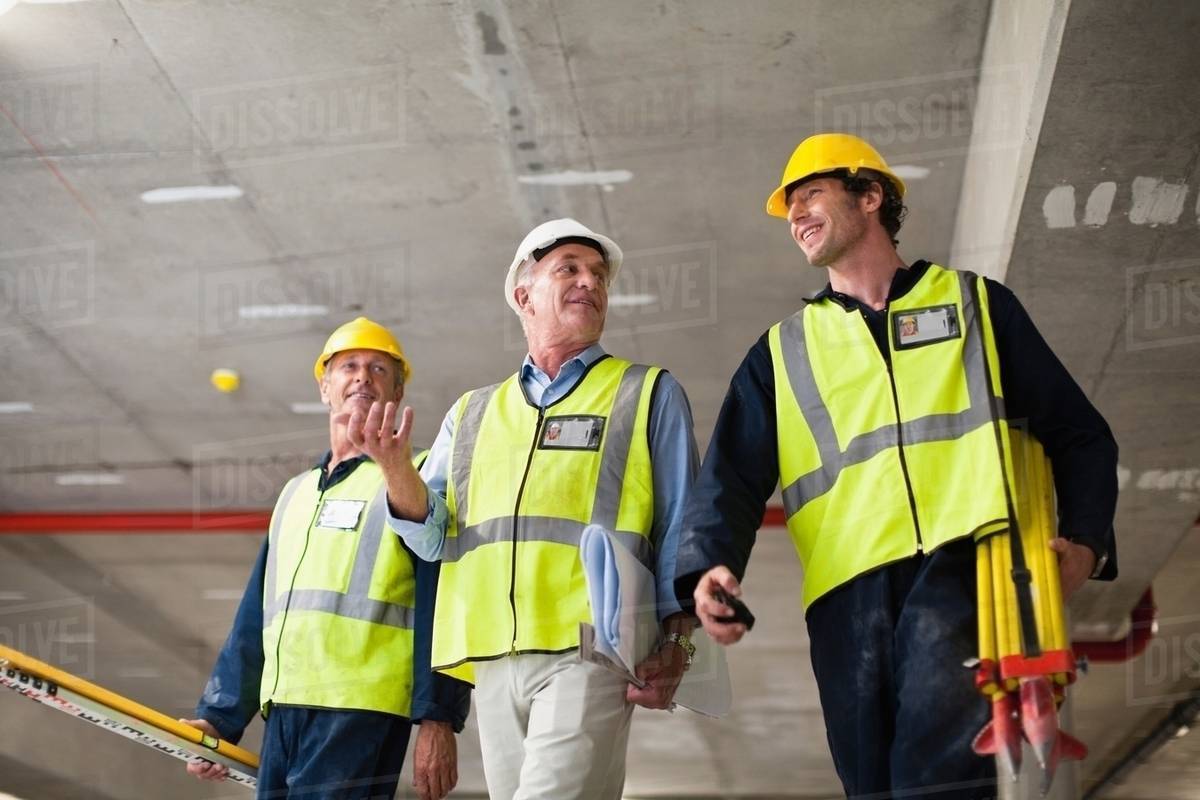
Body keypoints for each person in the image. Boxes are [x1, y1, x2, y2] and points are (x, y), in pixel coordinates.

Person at [674, 133, 1119, 799]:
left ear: (871, 196)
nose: (795, 215)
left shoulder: (975, 307)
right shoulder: (782, 353)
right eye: (788, 207)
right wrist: (706, 566)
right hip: (844, 599)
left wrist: (1085, 543)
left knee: (937, 776)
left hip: (961, 564)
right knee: (873, 784)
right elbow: (730, 479)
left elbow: (1080, 435)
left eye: (810, 195)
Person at [345, 218, 700, 800]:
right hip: (492, 659)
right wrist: (394, 469)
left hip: (592, 647)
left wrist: (679, 642)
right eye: (569, 269)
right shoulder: (473, 412)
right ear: (523, 294)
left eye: (597, 274)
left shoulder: (644, 392)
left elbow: (683, 524)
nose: (589, 282)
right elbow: (431, 536)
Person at [184, 317, 470, 800]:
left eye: (379, 369)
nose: (363, 376)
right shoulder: (294, 494)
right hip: (286, 706)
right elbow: (257, 616)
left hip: (362, 707)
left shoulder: (416, 475)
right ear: (325, 386)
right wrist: (220, 717)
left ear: (396, 394)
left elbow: (445, 601)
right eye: (350, 366)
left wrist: (437, 716)